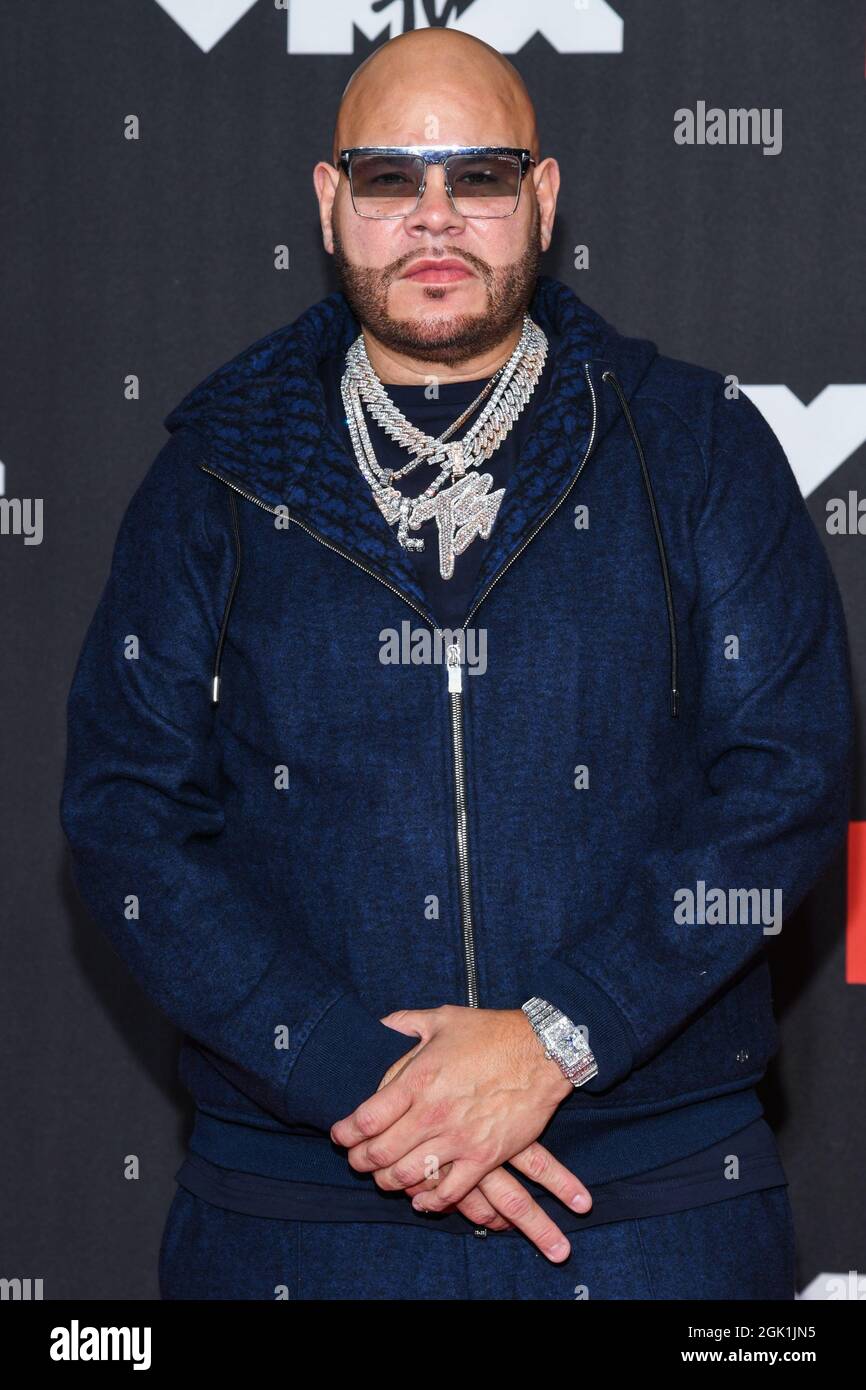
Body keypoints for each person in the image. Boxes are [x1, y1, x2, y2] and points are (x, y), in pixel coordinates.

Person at [60, 27, 853, 1301]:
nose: (434, 218)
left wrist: (552, 1042)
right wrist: (365, 1082)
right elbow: (124, 816)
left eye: (476, 177)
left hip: (652, 1210)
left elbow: (787, 778)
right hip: (296, 1215)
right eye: (390, 179)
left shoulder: (694, 444)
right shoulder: (214, 467)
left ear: (540, 197)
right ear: (331, 203)